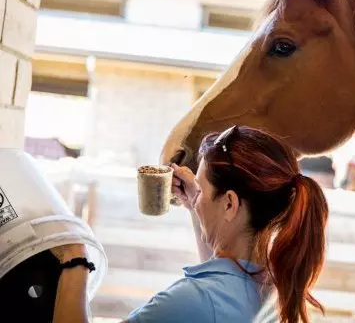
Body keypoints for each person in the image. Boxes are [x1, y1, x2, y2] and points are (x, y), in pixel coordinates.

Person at [51, 125, 328, 323]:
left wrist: (75, 260)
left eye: (203, 190)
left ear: (230, 205)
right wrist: (198, 203)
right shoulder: (275, 289)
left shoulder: (191, 302)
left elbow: (208, 301)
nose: (198, 200)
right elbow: (225, 280)